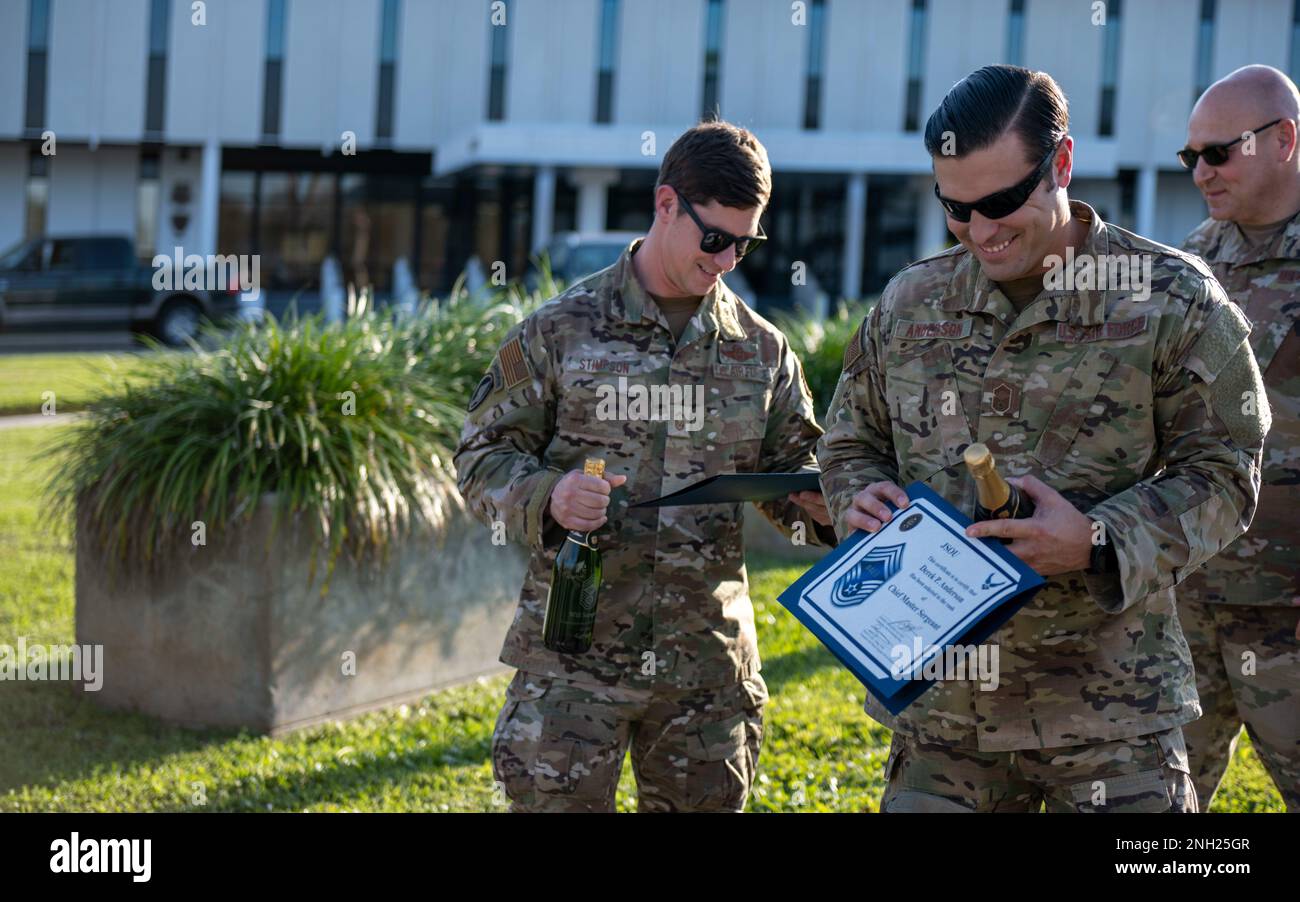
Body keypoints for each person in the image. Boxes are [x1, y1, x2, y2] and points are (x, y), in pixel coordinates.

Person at [817, 65, 1269, 812]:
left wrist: (1096, 539)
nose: (981, 231)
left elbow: (1226, 470)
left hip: (1113, 720)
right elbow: (848, 443)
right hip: (944, 726)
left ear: (1061, 163)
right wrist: (857, 498)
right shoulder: (909, 301)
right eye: (956, 207)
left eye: (1000, 202)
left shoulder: (1173, 298)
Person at [455, 120, 836, 812]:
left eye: (743, 244)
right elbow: (479, 456)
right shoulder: (557, 330)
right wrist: (549, 494)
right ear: (666, 205)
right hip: (574, 667)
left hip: (706, 674)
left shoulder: (762, 352)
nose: (726, 260)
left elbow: (796, 478)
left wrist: (820, 508)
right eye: (713, 238)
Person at [1176, 64, 1300, 811]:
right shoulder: (1193, 260)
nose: (1200, 173)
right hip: (1189, 601)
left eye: (1218, 153)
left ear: (1284, 140)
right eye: (1189, 157)